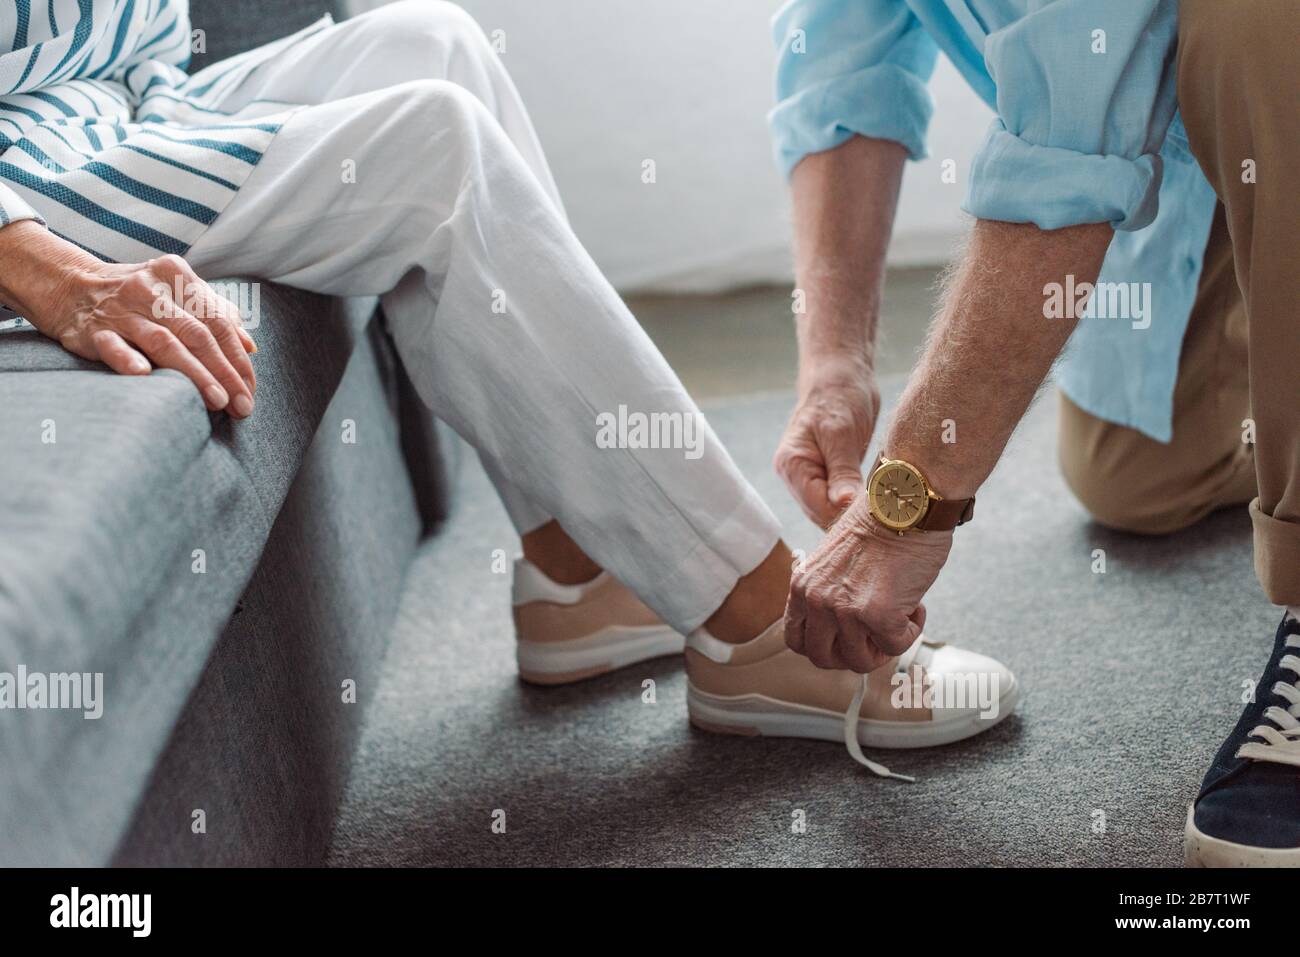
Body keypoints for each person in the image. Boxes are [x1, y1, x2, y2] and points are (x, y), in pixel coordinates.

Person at [0, 0, 1016, 776]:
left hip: (124, 97)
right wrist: (48, 272)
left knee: (434, 39)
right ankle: (757, 627)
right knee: (430, 150)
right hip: (28, 180)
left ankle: (578, 575)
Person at [770, 0, 1299, 862]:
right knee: (1138, 480)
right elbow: (838, 56)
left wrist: (906, 504)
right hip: (1204, 143)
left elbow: (1072, 133)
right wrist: (834, 364)